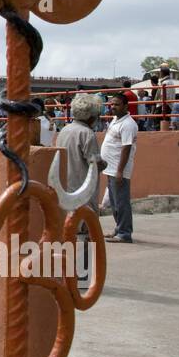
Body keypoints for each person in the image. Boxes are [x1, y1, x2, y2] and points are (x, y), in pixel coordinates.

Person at [56, 93, 106, 284]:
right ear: (92, 116)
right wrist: (104, 164)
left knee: (65, 232)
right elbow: (94, 162)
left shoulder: (64, 131)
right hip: (82, 190)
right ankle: (81, 275)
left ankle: (66, 272)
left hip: (64, 188)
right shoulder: (87, 134)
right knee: (83, 234)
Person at [100, 93, 137, 244]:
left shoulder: (128, 124)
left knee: (121, 202)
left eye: (116, 104)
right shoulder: (116, 120)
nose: (112, 107)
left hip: (118, 169)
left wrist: (120, 171)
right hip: (111, 168)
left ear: (125, 106)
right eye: (111, 104)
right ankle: (119, 228)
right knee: (115, 202)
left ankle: (124, 233)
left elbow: (126, 148)